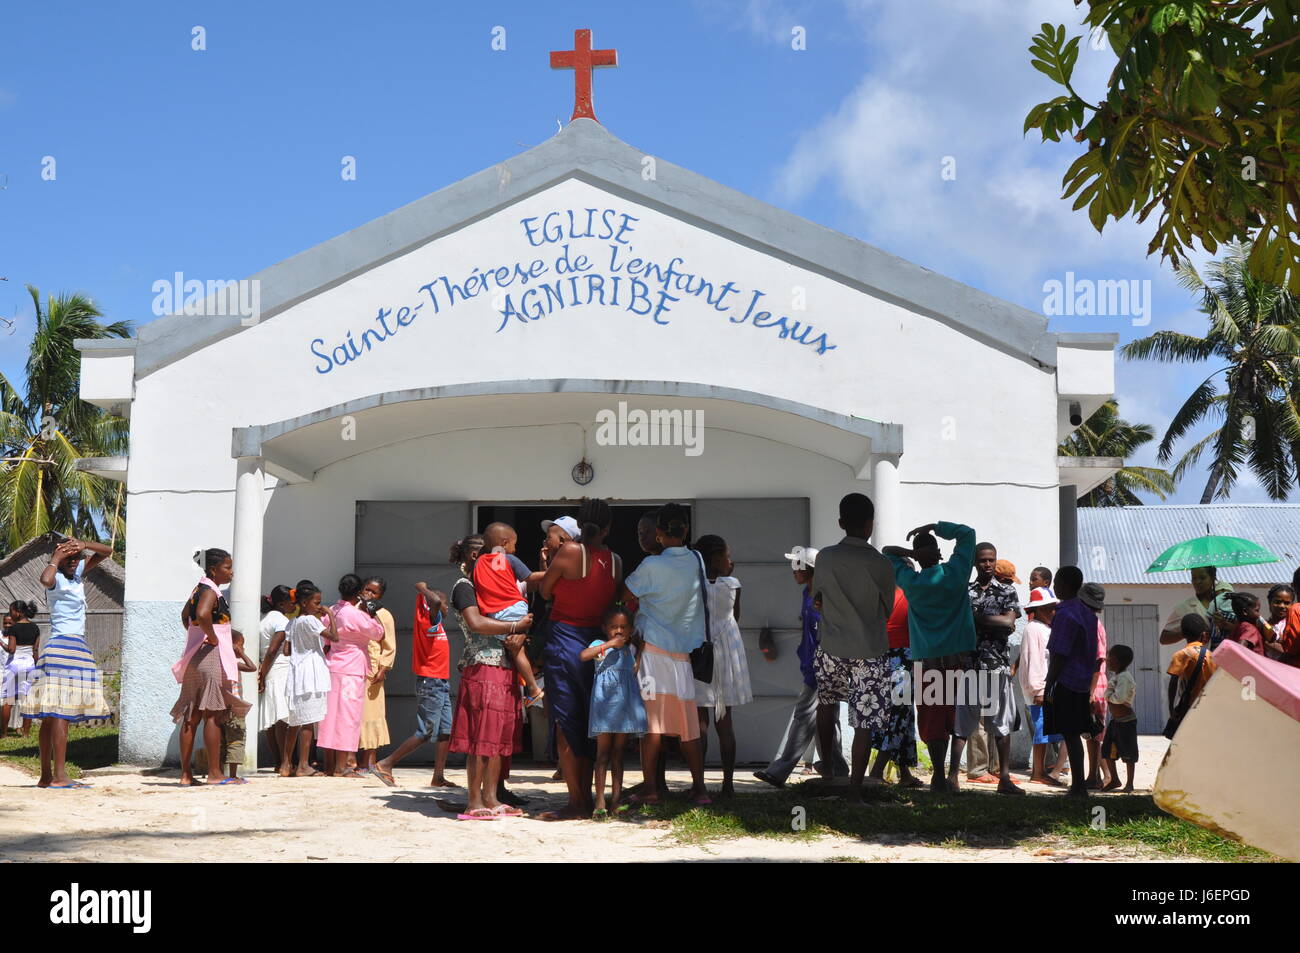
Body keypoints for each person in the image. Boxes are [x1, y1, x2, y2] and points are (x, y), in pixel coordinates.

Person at [620, 502, 710, 806]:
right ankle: (700, 790)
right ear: (686, 529)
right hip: (683, 655)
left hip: (653, 651)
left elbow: (625, 594)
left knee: (652, 726)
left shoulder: (651, 566)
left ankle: (651, 789)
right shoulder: (696, 560)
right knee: (688, 727)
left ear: (659, 532)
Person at [539, 498, 620, 819]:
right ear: (608, 528)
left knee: (566, 721)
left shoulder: (570, 552)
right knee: (591, 721)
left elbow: (545, 591)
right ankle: (588, 799)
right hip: (597, 645)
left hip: (565, 641)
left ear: (579, 524)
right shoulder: (615, 561)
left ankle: (577, 802)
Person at [811, 493, 895, 804]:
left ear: (840, 523)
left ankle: (828, 772)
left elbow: (817, 599)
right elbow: (886, 609)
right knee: (864, 721)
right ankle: (855, 789)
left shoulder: (825, 557)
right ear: (871, 524)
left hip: (831, 645)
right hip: (869, 649)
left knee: (826, 703)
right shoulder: (882, 564)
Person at [883, 522, 978, 793]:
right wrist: (936, 527)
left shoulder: (912, 583)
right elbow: (967, 534)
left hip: (927, 661)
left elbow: (887, 552)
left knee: (933, 720)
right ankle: (952, 775)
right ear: (938, 552)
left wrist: (911, 554)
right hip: (959, 658)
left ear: (918, 557)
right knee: (957, 717)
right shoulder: (956, 573)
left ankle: (938, 774)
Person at [448, 534, 533, 819]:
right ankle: (474, 801)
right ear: (476, 557)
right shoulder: (464, 586)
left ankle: (492, 797)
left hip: (504, 666)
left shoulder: (492, 587)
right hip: (483, 666)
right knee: (481, 737)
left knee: (497, 738)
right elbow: (476, 623)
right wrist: (515, 627)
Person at [753, 546, 847, 788]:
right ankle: (838, 769)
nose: (793, 570)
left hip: (821, 668)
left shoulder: (821, 597)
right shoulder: (808, 593)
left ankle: (779, 771)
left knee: (804, 716)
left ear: (811, 569)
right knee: (826, 719)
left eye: (798, 565)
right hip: (814, 666)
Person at [170, 548, 249, 787]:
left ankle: (186, 775)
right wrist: (213, 638)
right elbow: (203, 614)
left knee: (191, 715)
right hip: (211, 658)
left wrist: (197, 637)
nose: (232, 572)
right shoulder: (211, 591)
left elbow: (186, 615)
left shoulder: (198, 589)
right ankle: (215, 773)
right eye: (227, 567)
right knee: (212, 715)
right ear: (214, 570)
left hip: (195, 657)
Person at [369, 581, 456, 788]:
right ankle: (386, 763)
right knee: (426, 731)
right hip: (431, 682)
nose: (447, 607)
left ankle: (438, 777)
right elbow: (435, 601)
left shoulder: (437, 624)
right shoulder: (430, 621)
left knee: (445, 730)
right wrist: (423, 588)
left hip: (440, 682)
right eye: (445, 604)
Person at [691, 534, 752, 798]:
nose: (731, 561)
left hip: (700, 653)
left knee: (700, 723)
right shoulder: (733, 585)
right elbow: (735, 616)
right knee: (725, 724)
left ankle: (699, 784)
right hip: (727, 653)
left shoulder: (694, 586)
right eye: (727, 556)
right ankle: (728, 785)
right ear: (716, 558)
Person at [582, 606, 647, 817]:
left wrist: (639, 650)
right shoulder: (600, 646)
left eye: (623, 627)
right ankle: (600, 802)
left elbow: (635, 669)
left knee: (619, 755)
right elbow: (583, 655)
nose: (618, 631)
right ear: (605, 628)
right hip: (604, 709)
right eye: (613, 627)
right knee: (602, 755)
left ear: (630, 629)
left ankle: (616, 801)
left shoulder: (630, 650)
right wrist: (609, 644)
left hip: (625, 709)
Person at [964, 543, 1020, 787]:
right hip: (971, 662)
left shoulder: (1007, 591)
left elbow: (1009, 622)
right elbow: (964, 624)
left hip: (997, 662)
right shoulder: (966, 591)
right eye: (982, 560)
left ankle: (999, 771)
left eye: (991, 559)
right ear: (974, 562)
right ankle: (977, 769)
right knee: (974, 719)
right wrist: (997, 622)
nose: (987, 564)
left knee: (999, 719)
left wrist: (976, 618)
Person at [318, 574, 385, 777]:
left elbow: (323, 633)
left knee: (330, 717)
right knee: (348, 717)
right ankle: (342, 767)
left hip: (332, 664)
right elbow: (378, 633)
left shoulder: (333, 610)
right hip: (352, 667)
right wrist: (371, 612)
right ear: (358, 592)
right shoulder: (355, 614)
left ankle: (330, 765)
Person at [1044, 568, 1102, 798]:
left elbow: (1059, 653)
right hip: (1082, 681)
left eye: (1057, 582)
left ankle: (1078, 786)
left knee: (1069, 734)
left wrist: (1050, 683)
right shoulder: (1088, 615)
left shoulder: (1065, 614)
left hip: (1066, 680)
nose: (1054, 587)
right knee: (1075, 734)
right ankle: (1079, 783)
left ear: (1066, 585)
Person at [473, 522, 545, 705]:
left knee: (515, 650)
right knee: (518, 651)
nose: (515, 549)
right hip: (514, 609)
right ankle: (534, 688)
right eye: (514, 544)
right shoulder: (509, 559)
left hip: (495, 616)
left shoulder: (479, 563)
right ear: (504, 544)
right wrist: (554, 571)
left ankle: (529, 688)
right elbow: (530, 578)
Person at [865, 587, 921, 786]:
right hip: (902, 655)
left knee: (903, 713)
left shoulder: (880, 591)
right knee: (898, 714)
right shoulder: (910, 592)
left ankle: (904, 774)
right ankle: (876, 771)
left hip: (880, 655)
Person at [283, 583, 335, 778]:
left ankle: (286, 764)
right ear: (304, 603)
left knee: (295, 721)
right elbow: (334, 637)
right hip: (311, 673)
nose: (319, 606)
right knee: (308, 722)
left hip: (297, 672)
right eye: (317, 603)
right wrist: (330, 616)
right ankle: (303, 765)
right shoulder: (311, 621)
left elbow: (286, 650)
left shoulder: (293, 622)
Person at [1016, 587, 1065, 786]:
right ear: (1039, 609)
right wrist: (1039, 690)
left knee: (1046, 732)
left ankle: (1041, 771)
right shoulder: (1033, 629)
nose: (1053, 612)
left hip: (1047, 689)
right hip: (1039, 691)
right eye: (1049, 608)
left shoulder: (1044, 628)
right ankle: (1038, 773)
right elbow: (1033, 661)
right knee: (1042, 732)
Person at [357, 577, 397, 773]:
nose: (369, 594)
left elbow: (389, 645)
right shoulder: (355, 609)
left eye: (374, 592)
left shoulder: (384, 614)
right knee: (353, 715)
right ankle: (351, 761)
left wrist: (383, 669)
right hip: (353, 667)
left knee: (372, 715)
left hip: (373, 670)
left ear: (381, 595)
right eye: (367, 589)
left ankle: (369, 761)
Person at [257, 585, 295, 768]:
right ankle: (285, 762)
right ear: (281, 604)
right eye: (291, 602)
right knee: (282, 719)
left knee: (272, 719)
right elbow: (272, 651)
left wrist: (262, 673)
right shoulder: (281, 620)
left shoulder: (264, 618)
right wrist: (262, 674)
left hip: (269, 670)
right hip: (279, 670)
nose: (294, 605)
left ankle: (278, 762)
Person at [1159, 566, 1233, 646]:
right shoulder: (1185, 607)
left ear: (1213, 577)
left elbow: (1241, 628)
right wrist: (1189, 632)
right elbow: (1164, 638)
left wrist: (1226, 625)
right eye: (1194, 578)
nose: (1197, 582)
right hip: (1201, 653)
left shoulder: (1226, 601)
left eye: (1202, 578)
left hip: (1226, 652)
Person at [221, 630, 257, 783]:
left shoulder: (219, 661)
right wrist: (241, 653)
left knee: (223, 741)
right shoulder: (233, 663)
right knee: (236, 740)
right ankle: (233, 775)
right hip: (234, 707)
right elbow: (252, 667)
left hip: (222, 706)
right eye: (241, 645)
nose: (243, 648)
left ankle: (219, 772)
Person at [1101, 644, 1138, 793]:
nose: (1107, 660)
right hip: (1116, 721)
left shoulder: (1124, 678)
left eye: (1109, 657)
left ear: (1116, 660)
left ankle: (1130, 783)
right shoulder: (1117, 676)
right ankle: (1114, 779)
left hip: (1126, 722)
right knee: (1107, 750)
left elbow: (1119, 698)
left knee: (1129, 752)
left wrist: (1108, 695)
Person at [2, 600, 40, 739]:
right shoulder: (35, 628)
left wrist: (1, 643)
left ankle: (3, 734)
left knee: (9, 700)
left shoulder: (14, 628)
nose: (10, 613)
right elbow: (35, 651)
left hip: (14, 665)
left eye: (11, 610)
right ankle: (26, 733)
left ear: (18, 612)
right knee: (27, 700)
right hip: (29, 664)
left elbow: (11, 649)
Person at [1167, 614, 1219, 714]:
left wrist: (1171, 707)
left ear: (1183, 634)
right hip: (1209, 705)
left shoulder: (1181, 655)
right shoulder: (1212, 656)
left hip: (1190, 706)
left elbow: (1173, 682)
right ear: (1204, 634)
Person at [1260, 584, 1293, 659]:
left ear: (1292, 604)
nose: (1282, 606)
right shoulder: (1263, 625)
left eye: (1286, 603)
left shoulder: (1293, 625)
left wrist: (1265, 643)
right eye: (1277, 602)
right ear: (1269, 602)